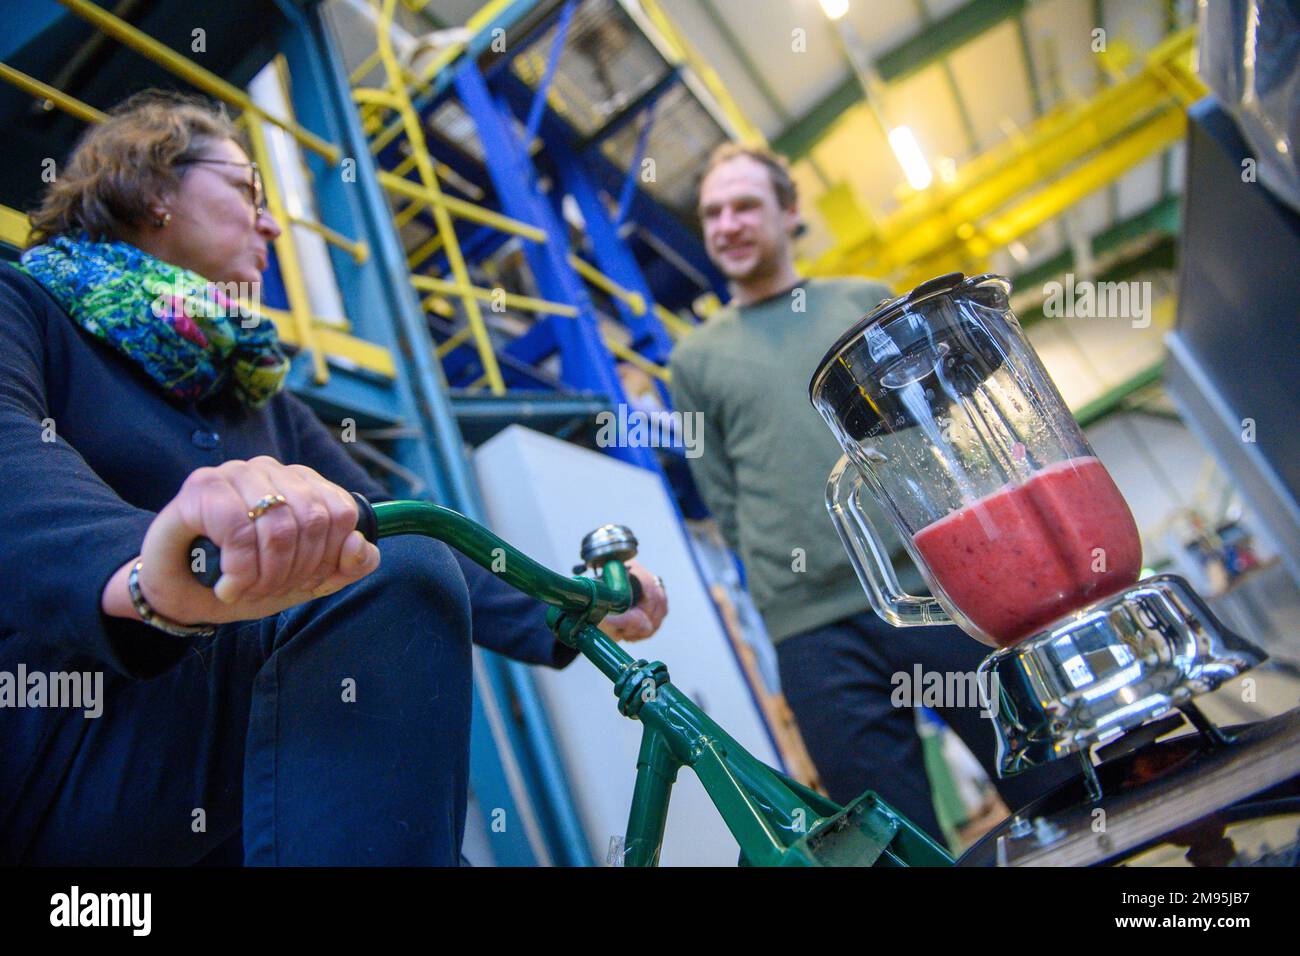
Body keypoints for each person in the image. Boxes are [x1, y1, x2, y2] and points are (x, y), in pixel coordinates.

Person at [0, 91, 667, 866]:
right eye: (249, 191)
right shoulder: (25, 303)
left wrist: (567, 607)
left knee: (400, 572)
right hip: (66, 751)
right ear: (154, 191)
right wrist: (141, 571)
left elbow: (407, 524)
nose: (274, 223)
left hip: (221, 771)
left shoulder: (256, 392)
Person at [668, 143, 1073, 841]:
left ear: (790, 213)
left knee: (1056, 780)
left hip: (938, 591)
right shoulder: (693, 361)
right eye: (712, 213)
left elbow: (939, 435)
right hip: (812, 630)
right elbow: (721, 496)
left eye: (744, 206)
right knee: (891, 847)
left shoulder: (861, 301)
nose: (726, 225)